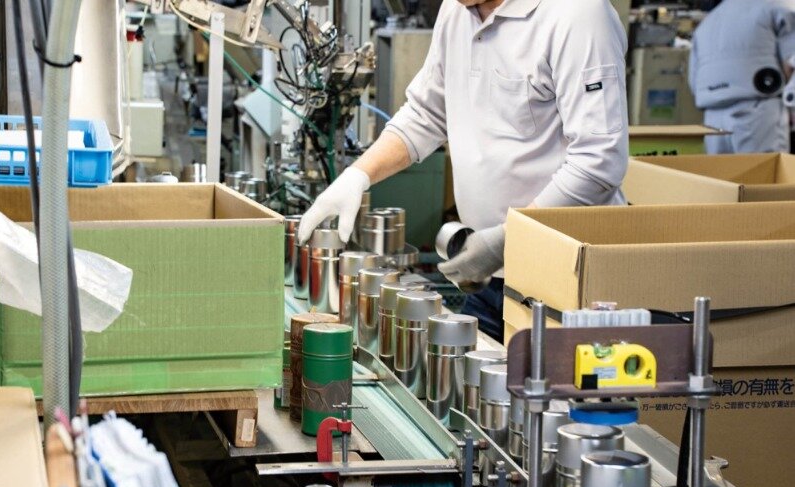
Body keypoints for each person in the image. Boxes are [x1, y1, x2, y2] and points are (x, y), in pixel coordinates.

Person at [298, 0, 629, 341]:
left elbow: (599, 160)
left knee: (553, 377)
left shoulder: (578, 15)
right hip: (490, 278)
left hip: (567, 283)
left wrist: (509, 238)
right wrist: (358, 175)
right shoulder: (457, 11)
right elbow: (426, 113)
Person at [690, 0, 795, 154]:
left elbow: (694, 81)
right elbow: (791, 63)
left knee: (721, 170)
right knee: (764, 169)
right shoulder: (778, 6)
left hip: (713, 119)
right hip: (758, 112)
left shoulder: (707, 23)